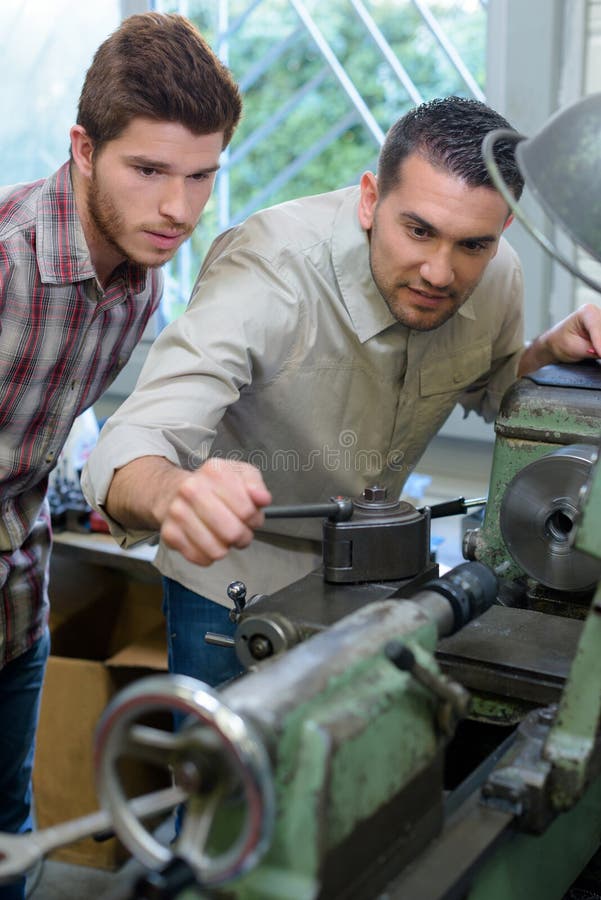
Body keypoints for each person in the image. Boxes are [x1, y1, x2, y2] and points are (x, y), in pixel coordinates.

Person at [82, 96, 601, 692]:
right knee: (228, 782)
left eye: (471, 245)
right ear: (370, 197)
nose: (439, 271)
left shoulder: (497, 272)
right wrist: (178, 494)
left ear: (503, 227)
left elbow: (490, 389)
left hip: (382, 573)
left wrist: (546, 358)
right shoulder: (268, 270)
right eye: (418, 230)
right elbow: (129, 445)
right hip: (236, 580)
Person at [0, 12, 241, 899]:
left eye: (201, 176)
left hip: (19, 611)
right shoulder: (6, 264)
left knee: (11, 842)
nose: (177, 208)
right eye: (148, 170)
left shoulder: (139, 283)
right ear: (83, 148)